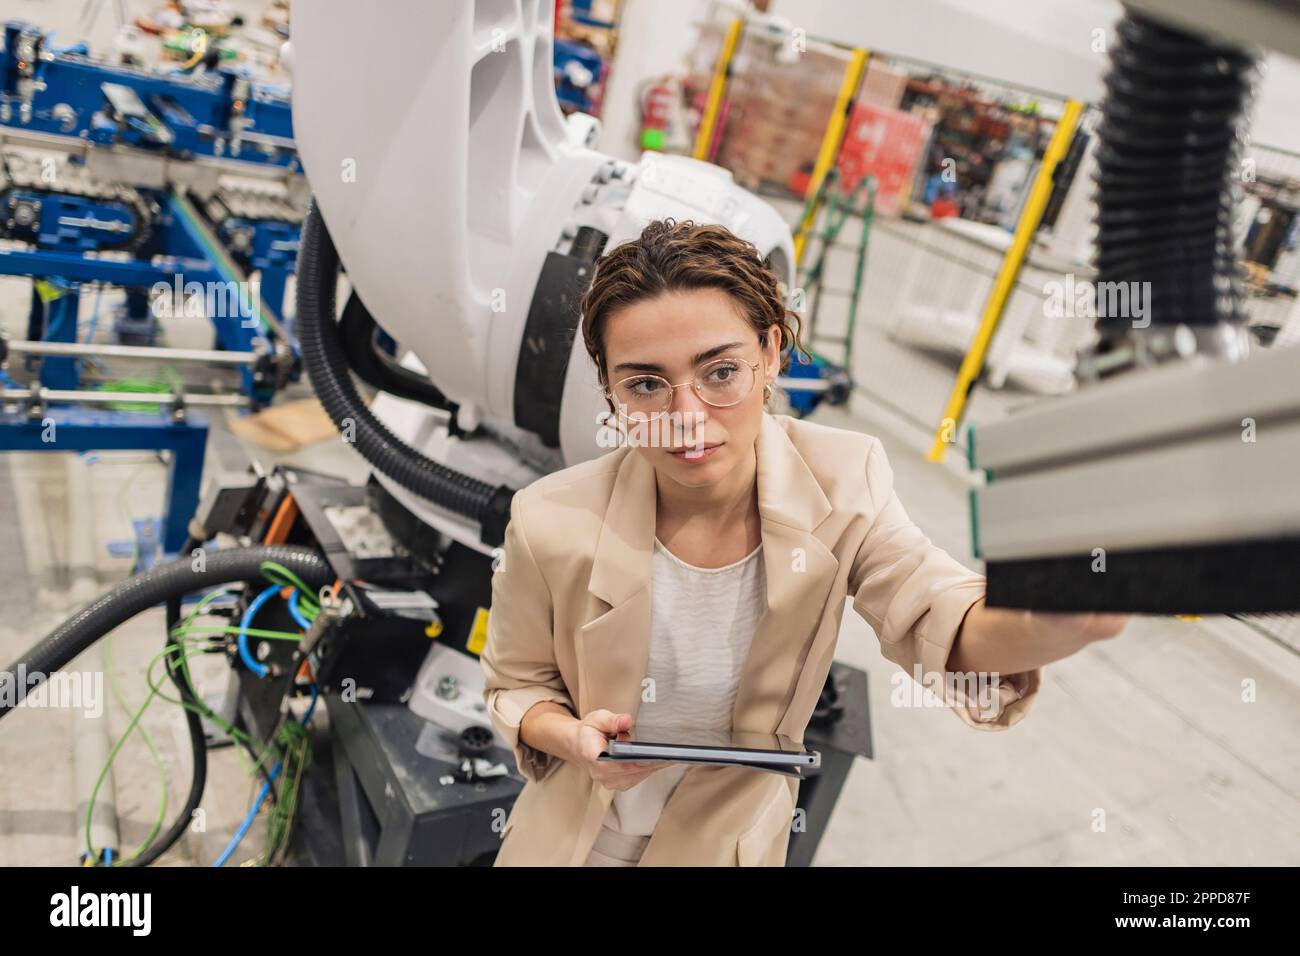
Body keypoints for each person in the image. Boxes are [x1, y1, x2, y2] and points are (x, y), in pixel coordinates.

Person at [480, 218, 1127, 867]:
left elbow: (938, 615)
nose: (688, 416)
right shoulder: (548, 519)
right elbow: (515, 684)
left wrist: (1053, 616)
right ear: (610, 391)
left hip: (723, 849)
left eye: (721, 371)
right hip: (567, 846)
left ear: (770, 353)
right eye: (646, 384)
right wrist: (569, 737)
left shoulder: (843, 481)